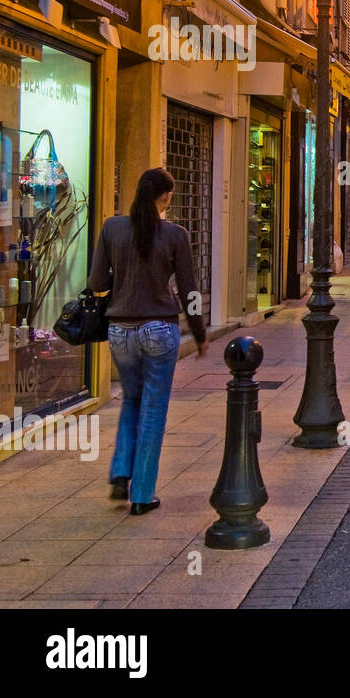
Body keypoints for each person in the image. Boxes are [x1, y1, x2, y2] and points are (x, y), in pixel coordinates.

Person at [87, 167, 208, 516]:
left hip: (120, 331)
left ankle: (121, 470)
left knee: (131, 401)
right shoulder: (175, 234)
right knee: (153, 410)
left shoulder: (112, 228)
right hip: (158, 330)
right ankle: (142, 493)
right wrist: (199, 334)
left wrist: (121, 273)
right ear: (166, 197)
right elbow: (190, 290)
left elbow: (96, 281)